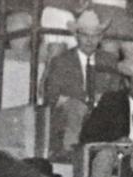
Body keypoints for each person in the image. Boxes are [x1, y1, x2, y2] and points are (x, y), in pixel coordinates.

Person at [41, 8, 120, 157]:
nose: (90, 40)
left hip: (99, 112)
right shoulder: (62, 61)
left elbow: (116, 90)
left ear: (101, 37)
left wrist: (103, 99)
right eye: (85, 35)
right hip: (68, 117)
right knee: (76, 107)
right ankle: (71, 152)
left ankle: (106, 154)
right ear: (76, 36)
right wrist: (79, 99)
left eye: (94, 36)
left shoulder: (109, 61)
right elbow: (51, 95)